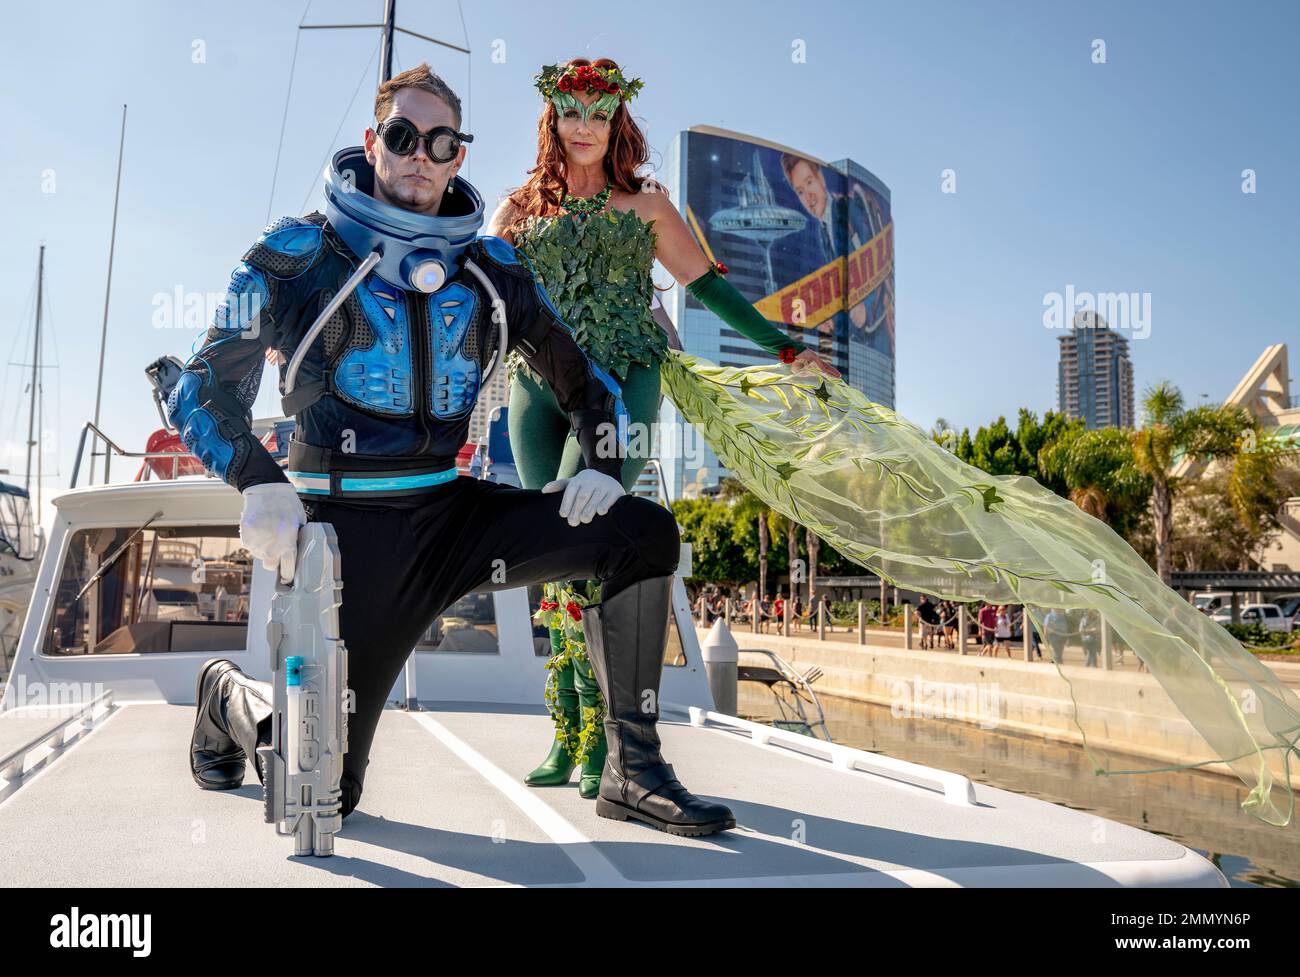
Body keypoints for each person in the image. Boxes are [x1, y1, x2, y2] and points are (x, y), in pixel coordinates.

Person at [177, 64, 733, 837]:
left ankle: (630, 771)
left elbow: (585, 379)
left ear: (458, 156)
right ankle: (226, 696)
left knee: (644, 533)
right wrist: (257, 480)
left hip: (455, 514)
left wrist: (604, 463)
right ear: (373, 143)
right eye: (403, 137)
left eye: (440, 142)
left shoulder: (492, 272)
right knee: (320, 792)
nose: (420, 156)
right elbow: (200, 385)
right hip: (343, 536)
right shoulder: (297, 255)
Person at [485, 58, 838, 798]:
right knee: (551, 552)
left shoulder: (643, 205)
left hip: (623, 381)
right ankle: (567, 730)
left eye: (600, 110)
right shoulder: (516, 212)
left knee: (596, 528)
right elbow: (478, 298)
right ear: (553, 116)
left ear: (617, 119)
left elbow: (706, 284)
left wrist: (783, 345)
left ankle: (599, 748)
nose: (585, 124)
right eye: (573, 110)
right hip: (536, 386)